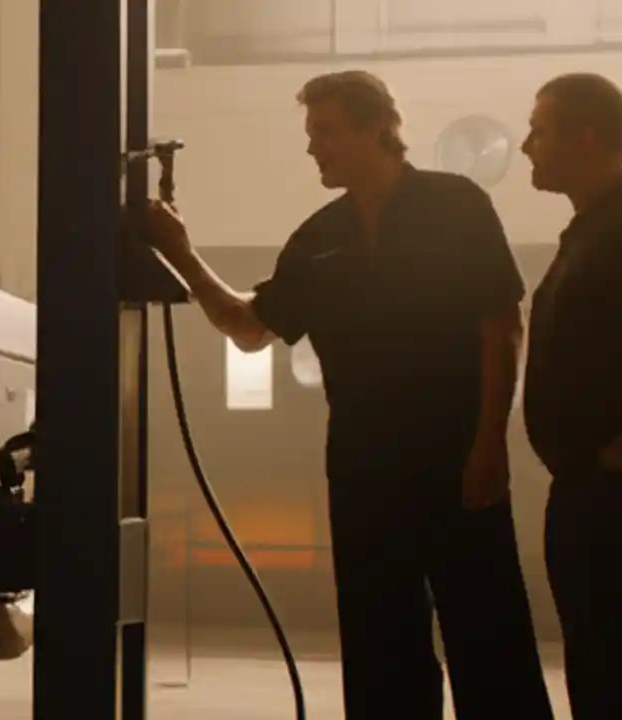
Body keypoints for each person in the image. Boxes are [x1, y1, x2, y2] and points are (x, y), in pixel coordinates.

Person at [142, 70, 553, 719]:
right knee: (379, 637)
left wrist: (488, 445)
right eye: (311, 134)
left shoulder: (457, 205)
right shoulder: (318, 238)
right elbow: (250, 328)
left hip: (456, 456)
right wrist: (182, 254)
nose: (313, 149)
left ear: (375, 127)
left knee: (488, 632)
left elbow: (501, 327)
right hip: (363, 466)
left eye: (325, 132)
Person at [520, 72, 622, 720]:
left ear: (584, 138)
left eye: (540, 130)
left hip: (611, 498)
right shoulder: (590, 231)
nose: (527, 146)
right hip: (587, 494)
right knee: (595, 666)